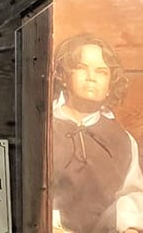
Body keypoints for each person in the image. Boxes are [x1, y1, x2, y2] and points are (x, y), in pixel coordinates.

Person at [52, 33, 143, 233]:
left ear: (111, 85)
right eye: (81, 68)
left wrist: (130, 227)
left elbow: (132, 193)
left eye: (101, 72)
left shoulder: (122, 141)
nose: (91, 77)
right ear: (64, 77)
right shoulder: (45, 130)